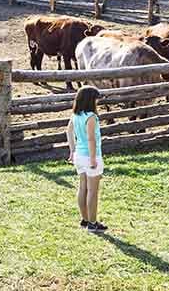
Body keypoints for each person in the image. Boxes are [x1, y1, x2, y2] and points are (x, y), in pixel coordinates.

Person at [66, 85, 108, 234]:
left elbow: (69, 131)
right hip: (91, 156)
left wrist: (72, 150)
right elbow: (91, 139)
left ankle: (85, 220)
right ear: (91, 100)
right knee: (93, 191)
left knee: (82, 188)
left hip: (79, 156)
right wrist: (92, 159)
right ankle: (92, 223)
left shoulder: (75, 115)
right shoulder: (91, 117)